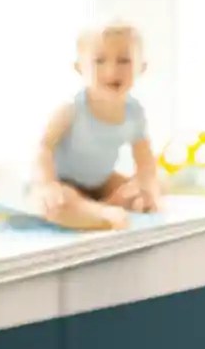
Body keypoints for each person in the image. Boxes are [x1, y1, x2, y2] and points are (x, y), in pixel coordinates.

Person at [29, 21, 161, 230]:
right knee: (56, 203)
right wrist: (47, 184)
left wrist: (146, 186)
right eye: (99, 61)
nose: (112, 70)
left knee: (141, 188)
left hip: (101, 182)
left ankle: (103, 207)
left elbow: (145, 159)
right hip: (65, 181)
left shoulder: (134, 113)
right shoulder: (73, 108)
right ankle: (99, 214)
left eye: (124, 61)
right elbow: (44, 146)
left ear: (141, 67)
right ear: (80, 68)